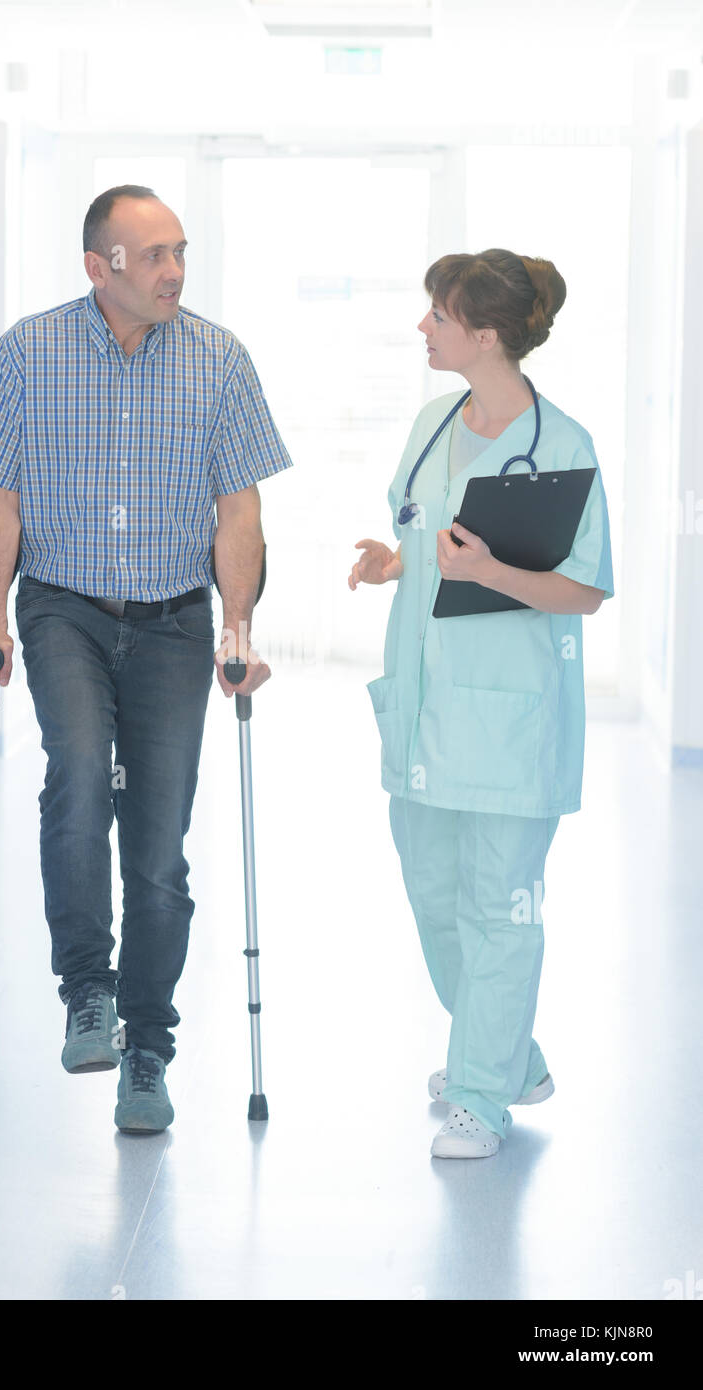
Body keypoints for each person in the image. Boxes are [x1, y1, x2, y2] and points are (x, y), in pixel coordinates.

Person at [0, 185, 292, 1134]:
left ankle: (147, 1044)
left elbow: (239, 514)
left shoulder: (220, 359)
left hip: (177, 621)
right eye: (152, 256)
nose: (174, 270)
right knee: (78, 781)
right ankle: (86, 993)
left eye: (179, 250)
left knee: (160, 843)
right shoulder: (29, 350)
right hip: (64, 611)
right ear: (99, 267)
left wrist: (237, 628)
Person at [349, 249, 614, 1159]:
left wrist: (493, 571)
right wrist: (394, 562)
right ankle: (508, 1057)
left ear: (485, 333)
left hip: (509, 723)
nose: (423, 326)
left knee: (499, 912)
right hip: (423, 710)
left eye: (438, 313)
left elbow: (583, 591)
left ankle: (480, 1096)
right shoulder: (431, 423)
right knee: (433, 901)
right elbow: (420, 537)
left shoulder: (563, 446)